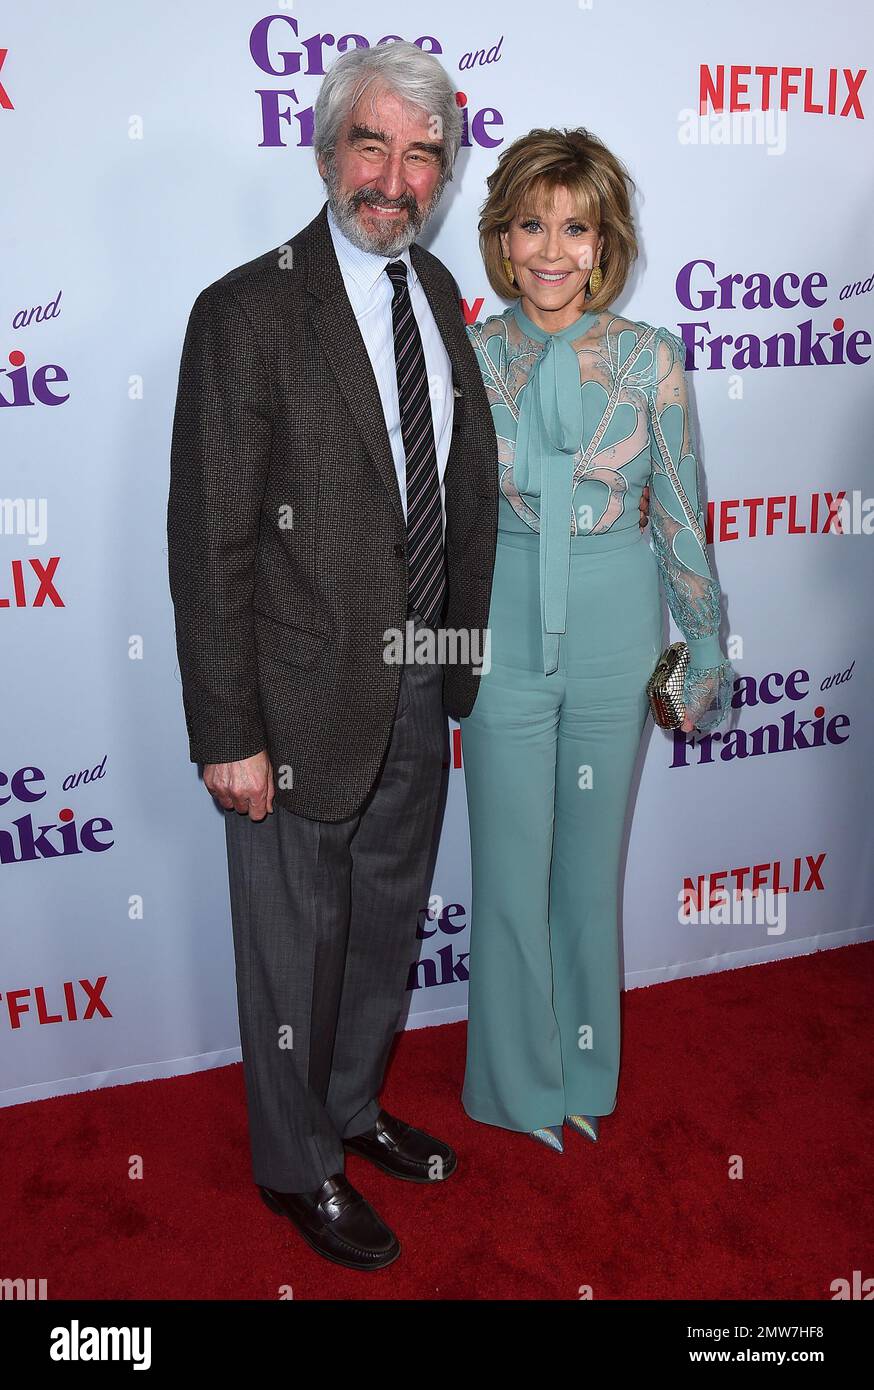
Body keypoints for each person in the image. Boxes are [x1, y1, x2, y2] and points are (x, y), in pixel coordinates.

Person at [166, 42, 505, 1271]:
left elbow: (455, 494)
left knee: (384, 927)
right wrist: (227, 731)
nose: (395, 178)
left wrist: (457, 667)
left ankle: (351, 1109)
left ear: (444, 176)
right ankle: (293, 1164)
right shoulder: (247, 310)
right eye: (374, 145)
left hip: (419, 676)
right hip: (292, 701)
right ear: (327, 151)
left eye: (423, 156)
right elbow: (207, 540)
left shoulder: (441, 300)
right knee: (290, 952)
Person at [460, 127, 735, 1152]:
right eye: (530, 223)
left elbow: (678, 509)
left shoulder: (651, 358)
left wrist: (703, 640)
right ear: (500, 235)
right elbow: (439, 522)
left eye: (574, 226)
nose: (550, 248)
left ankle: (581, 1069)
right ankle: (512, 1084)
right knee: (508, 866)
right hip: (501, 627)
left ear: (605, 239)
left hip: (619, 622)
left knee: (586, 870)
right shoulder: (470, 355)